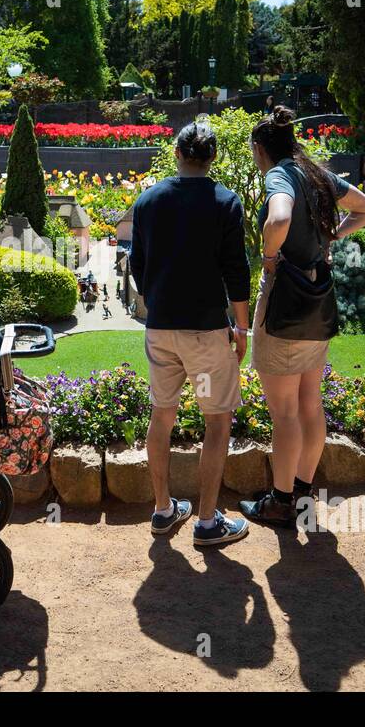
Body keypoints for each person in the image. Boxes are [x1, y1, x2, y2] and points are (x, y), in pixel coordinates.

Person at [241, 107, 365, 526]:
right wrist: (331, 235)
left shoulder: (280, 175)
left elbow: (279, 217)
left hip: (286, 300)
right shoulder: (317, 174)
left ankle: (281, 502)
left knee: (283, 412)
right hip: (319, 300)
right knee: (309, 404)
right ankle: (301, 494)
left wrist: (268, 257)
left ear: (260, 149)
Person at [129, 120, 251, 547]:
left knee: (162, 414)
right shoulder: (225, 202)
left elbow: (137, 269)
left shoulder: (148, 201)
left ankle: (163, 510)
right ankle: (206, 522)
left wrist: (159, 297)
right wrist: (242, 327)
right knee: (216, 422)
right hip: (205, 334)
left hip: (161, 330)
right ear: (212, 158)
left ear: (177, 154)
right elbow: (237, 271)